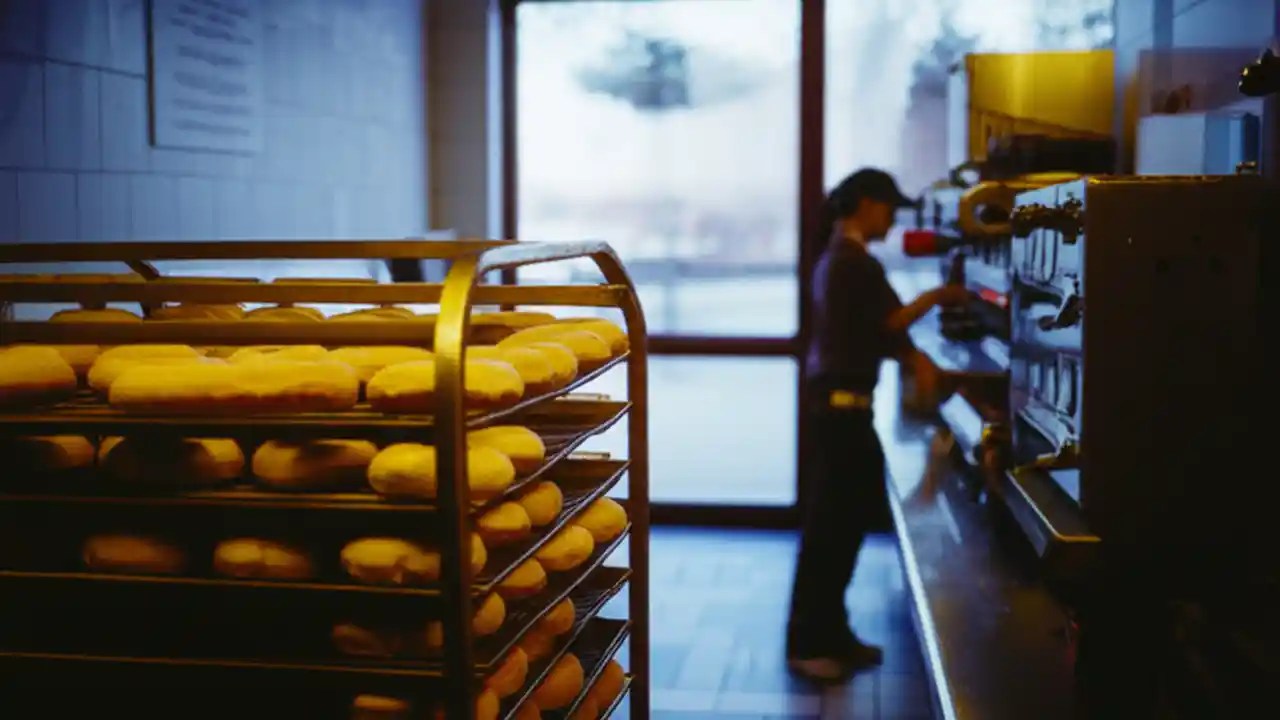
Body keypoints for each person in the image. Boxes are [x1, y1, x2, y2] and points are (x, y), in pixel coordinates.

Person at [786, 168, 968, 682]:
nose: (892, 220)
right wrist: (939, 298)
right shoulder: (850, 262)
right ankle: (808, 642)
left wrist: (917, 358)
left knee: (841, 528)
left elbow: (881, 334)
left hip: (840, 409)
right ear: (866, 204)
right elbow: (887, 325)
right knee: (831, 532)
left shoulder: (842, 259)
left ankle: (834, 634)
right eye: (889, 208)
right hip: (842, 411)